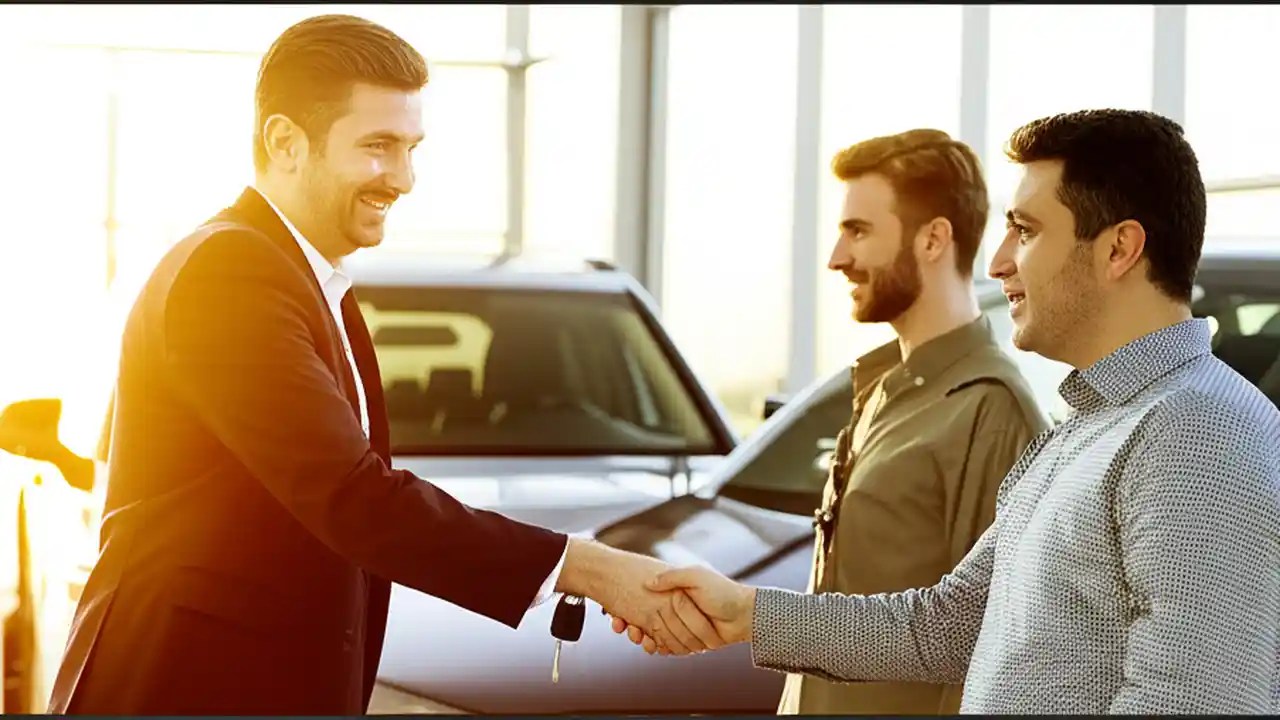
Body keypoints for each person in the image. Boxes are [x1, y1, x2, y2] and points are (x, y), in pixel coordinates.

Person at [47, 14, 715, 715]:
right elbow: (351, 495)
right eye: (378, 147)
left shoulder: (303, 275)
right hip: (183, 687)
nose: (402, 177)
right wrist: (590, 567)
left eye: (411, 148)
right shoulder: (232, 272)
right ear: (286, 143)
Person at [620, 109, 1280, 714]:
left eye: (1025, 231)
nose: (997, 263)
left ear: (1119, 249)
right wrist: (746, 612)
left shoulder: (1198, 432)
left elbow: (1194, 700)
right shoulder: (1089, 428)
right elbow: (946, 624)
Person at [776, 130, 1046, 715]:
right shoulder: (881, 391)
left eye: (859, 231)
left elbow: (991, 652)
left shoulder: (992, 411)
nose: (836, 257)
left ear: (933, 239)